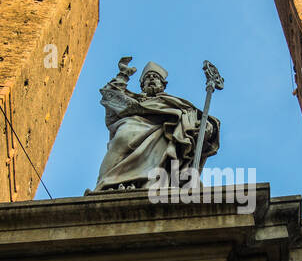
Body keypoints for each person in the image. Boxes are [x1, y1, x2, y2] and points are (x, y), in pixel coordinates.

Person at [93, 58, 219, 191]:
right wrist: (123, 75)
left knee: (167, 138)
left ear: (163, 84)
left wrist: (206, 126)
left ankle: (146, 185)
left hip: (163, 130)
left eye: (156, 77)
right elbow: (110, 96)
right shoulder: (133, 100)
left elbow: (193, 115)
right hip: (133, 124)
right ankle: (107, 184)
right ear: (142, 85)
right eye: (148, 77)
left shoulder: (173, 102)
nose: (151, 79)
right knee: (122, 138)